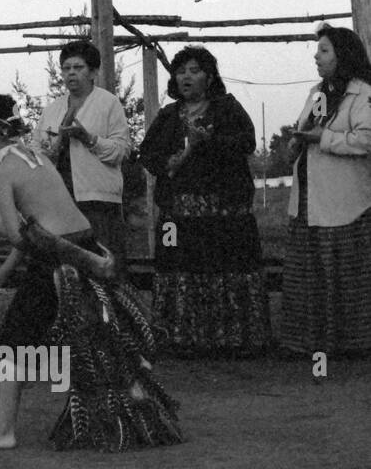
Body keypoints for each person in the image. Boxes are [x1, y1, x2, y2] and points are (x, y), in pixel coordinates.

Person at [0, 95, 182, 451]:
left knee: (11, 345)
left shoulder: (2, 173)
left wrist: (26, 258)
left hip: (56, 259)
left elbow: (18, 235)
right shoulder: (40, 158)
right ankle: (141, 413)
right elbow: (41, 226)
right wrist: (4, 272)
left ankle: (3, 432)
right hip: (89, 247)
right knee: (105, 339)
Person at [137, 46, 270, 355]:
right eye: (181, 71)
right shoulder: (168, 115)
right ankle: (181, 338)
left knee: (225, 266)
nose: (186, 76)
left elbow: (245, 143)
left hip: (224, 210)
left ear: (209, 77)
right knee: (180, 266)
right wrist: (173, 160)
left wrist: (208, 141)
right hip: (179, 213)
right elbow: (147, 154)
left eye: (194, 70)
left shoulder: (226, 108)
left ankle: (233, 340)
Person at [279, 25, 371, 357]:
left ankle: (351, 345)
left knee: (346, 275)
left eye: (324, 50)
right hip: (308, 201)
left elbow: (365, 139)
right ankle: (311, 344)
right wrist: (296, 144)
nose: (316, 57)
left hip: (344, 203)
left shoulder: (362, 94)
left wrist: (323, 140)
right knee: (311, 273)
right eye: (317, 50)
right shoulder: (320, 94)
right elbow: (310, 129)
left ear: (342, 55)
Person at [32, 40, 131, 276]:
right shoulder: (53, 108)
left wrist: (89, 139)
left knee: (104, 265)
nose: (71, 73)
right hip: (60, 199)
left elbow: (121, 150)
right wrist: (46, 152)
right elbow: (36, 146)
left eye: (78, 67)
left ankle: (113, 313)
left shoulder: (108, 103)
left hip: (97, 199)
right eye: (66, 68)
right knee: (67, 269)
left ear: (93, 72)